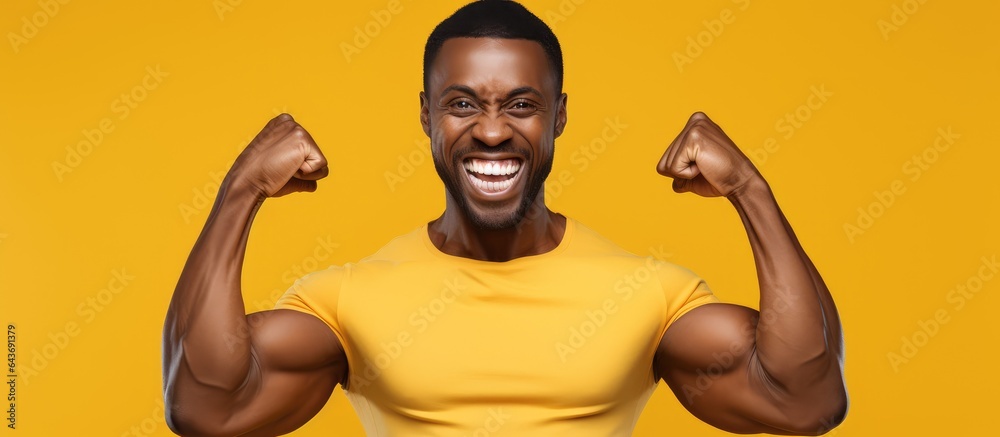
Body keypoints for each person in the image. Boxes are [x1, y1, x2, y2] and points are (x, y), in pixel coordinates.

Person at [162, 1, 847, 435]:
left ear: (560, 117)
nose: (492, 132)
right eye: (462, 105)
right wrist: (240, 192)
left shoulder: (646, 293)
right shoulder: (349, 298)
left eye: (521, 105)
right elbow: (204, 405)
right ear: (427, 117)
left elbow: (804, 397)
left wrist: (751, 190)